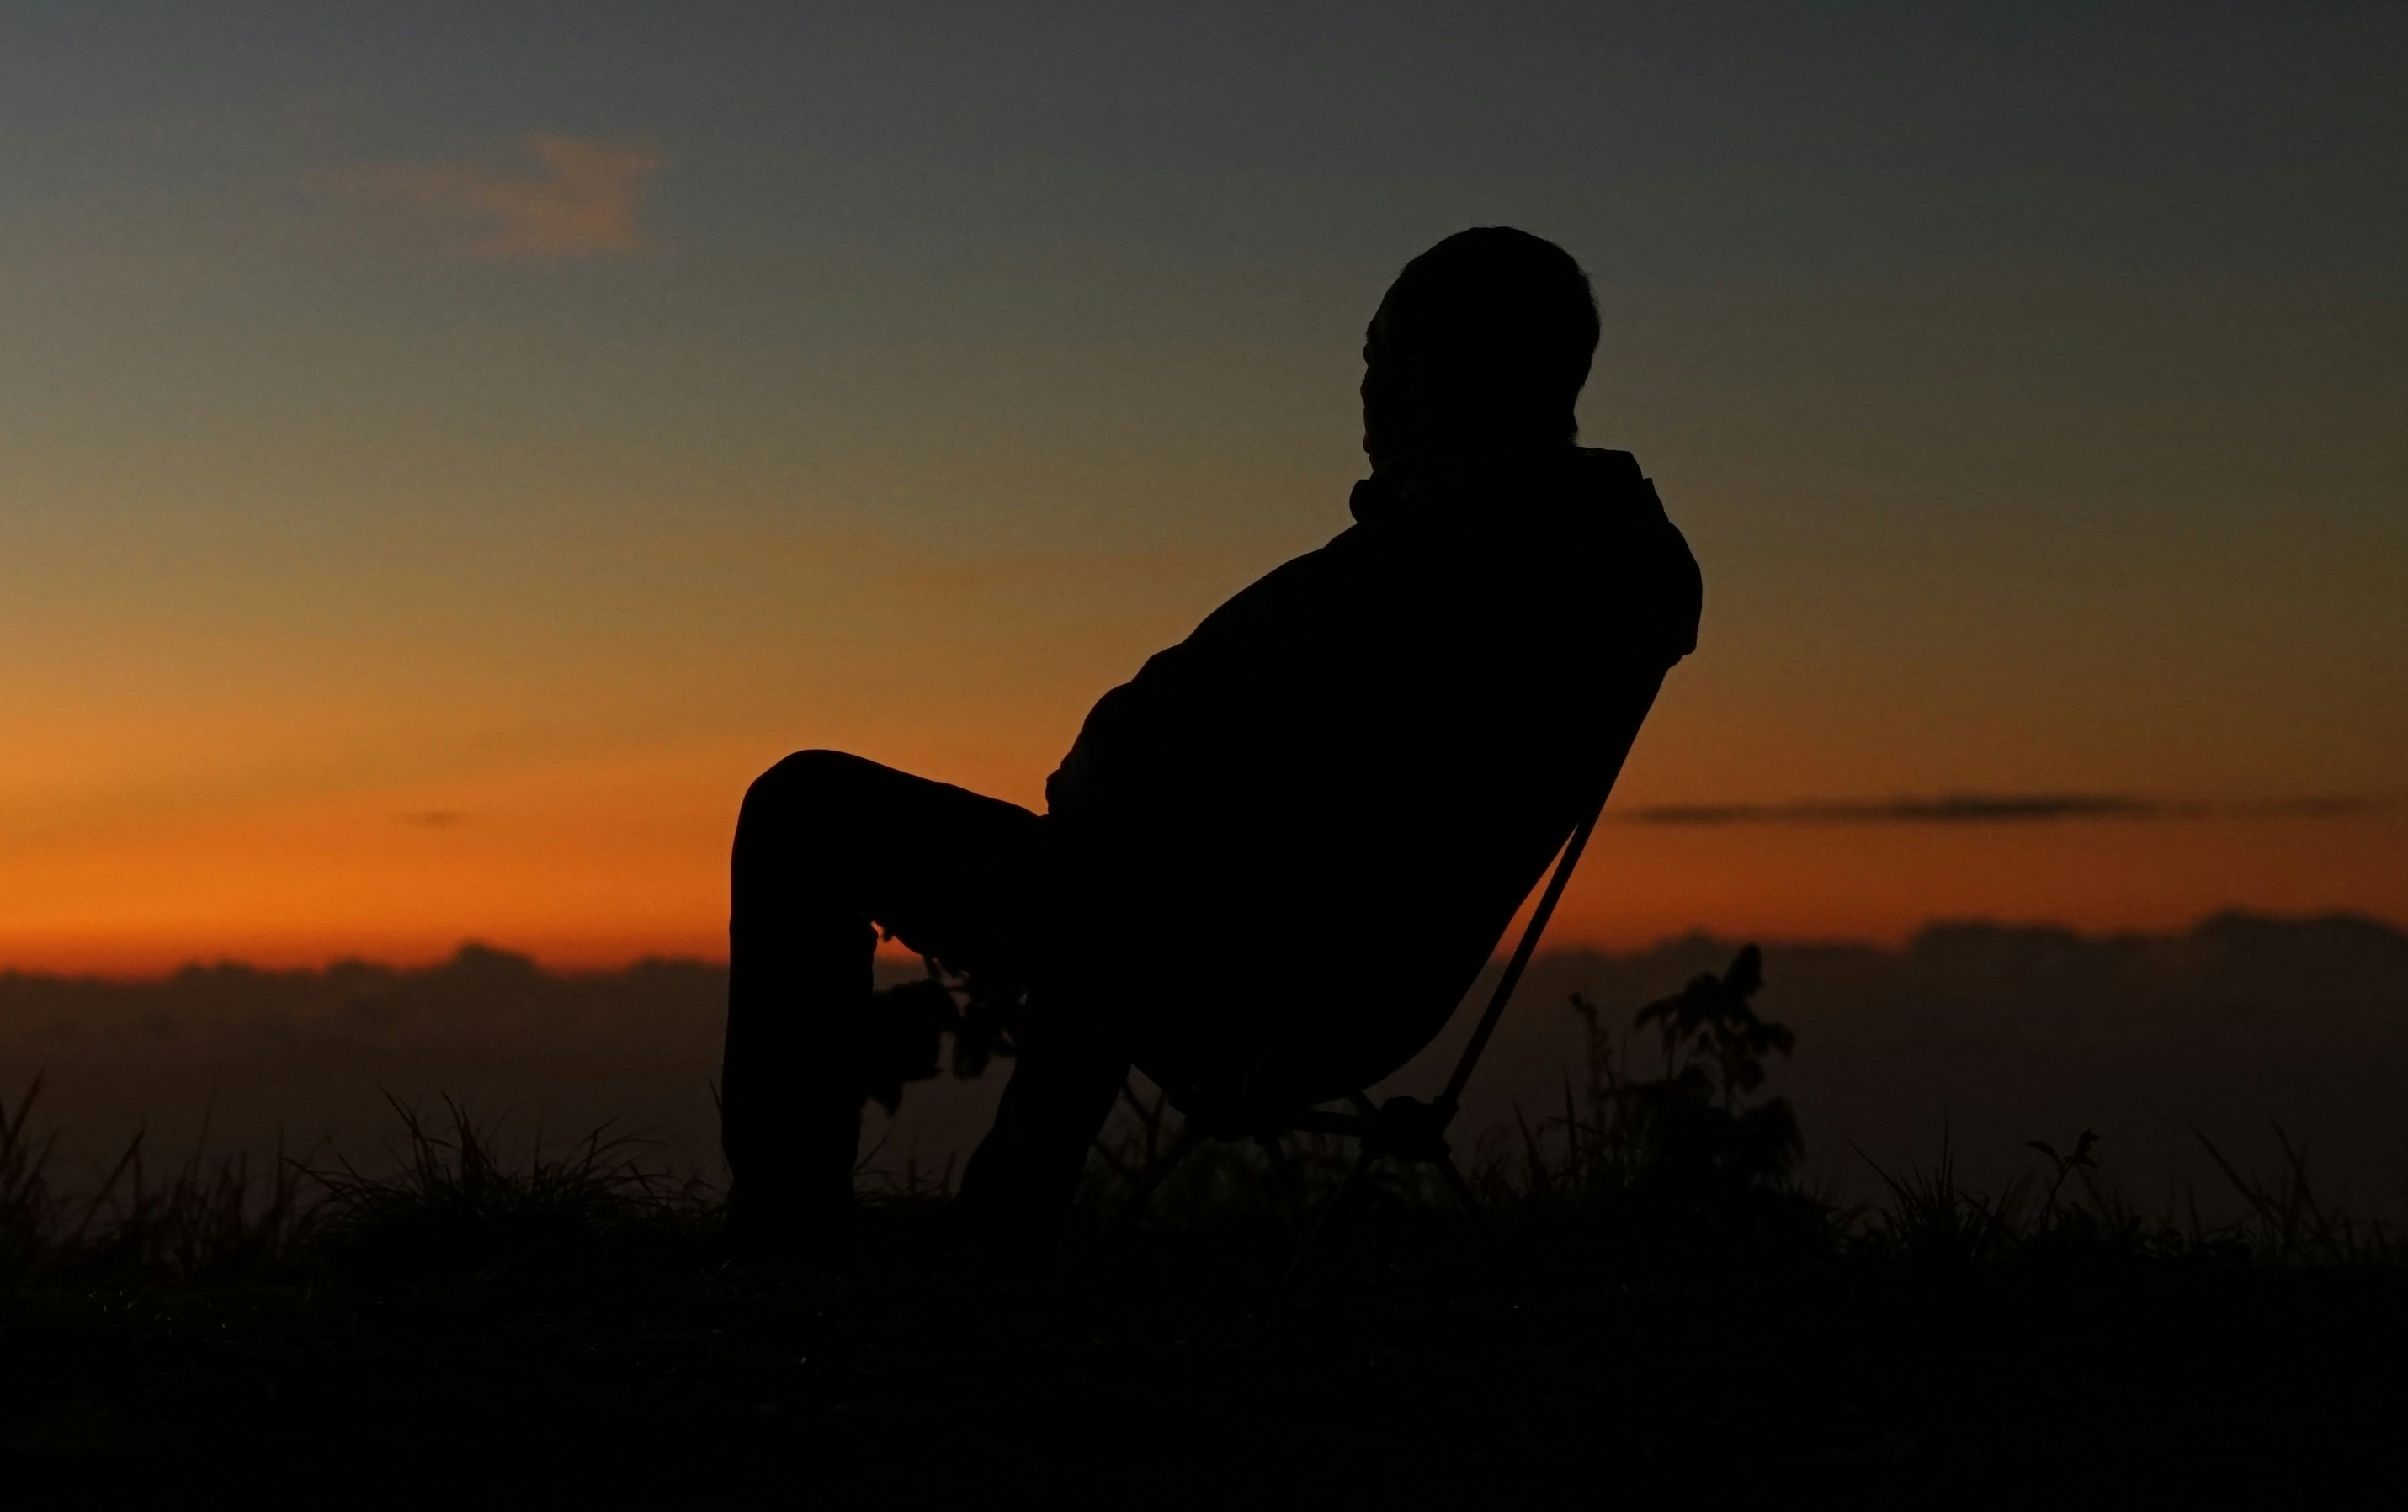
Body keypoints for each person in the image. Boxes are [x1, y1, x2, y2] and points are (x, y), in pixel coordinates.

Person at [717, 226, 1702, 1255]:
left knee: (805, 808)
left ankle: (791, 1242)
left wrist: (1111, 768)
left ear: (1437, 383)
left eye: (1378, 369)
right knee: (1124, 868)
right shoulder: (1611, 570)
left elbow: (1141, 750)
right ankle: (1009, 1209)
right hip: (1367, 989)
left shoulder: (1424, 572)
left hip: (1237, 978)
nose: (1363, 406)